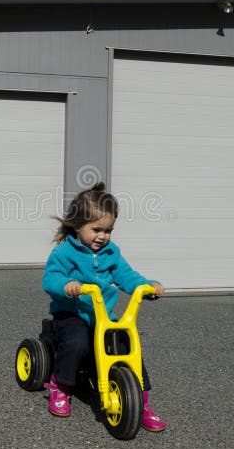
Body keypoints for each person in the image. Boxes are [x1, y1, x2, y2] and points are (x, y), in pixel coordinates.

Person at [42, 182, 167, 432]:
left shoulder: (111, 253)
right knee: (77, 342)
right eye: (96, 229)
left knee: (126, 344)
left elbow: (126, 275)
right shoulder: (64, 253)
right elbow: (50, 279)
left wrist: (147, 287)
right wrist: (67, 285)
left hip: (102, 315)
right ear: (77, 226)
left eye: (108, 230)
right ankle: (61, 386)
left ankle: (141, 400)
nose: (103, 236)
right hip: (73, 312)